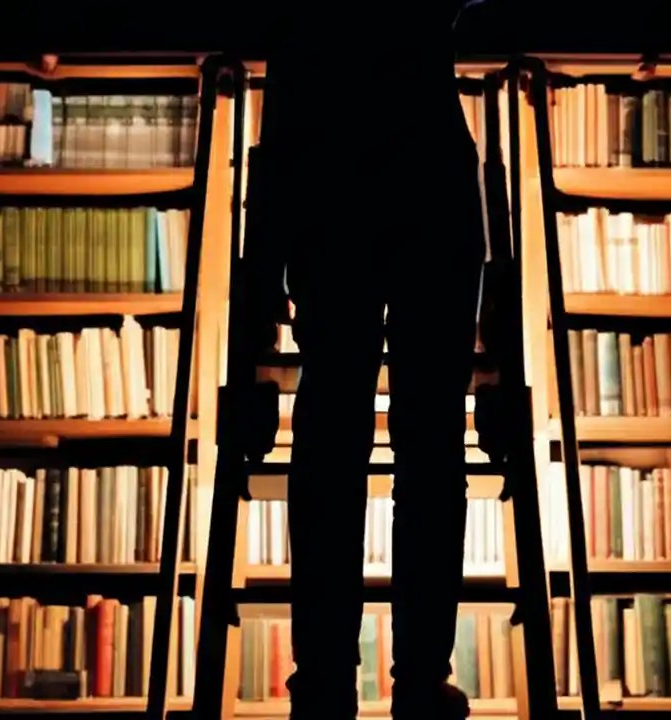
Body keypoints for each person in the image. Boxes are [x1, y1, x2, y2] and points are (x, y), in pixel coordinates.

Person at [253, 2, 487, 719]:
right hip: (426, 177)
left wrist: (264, 257)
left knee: (329, 438)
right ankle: (418, 674)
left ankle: (324, 676)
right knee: (430, 439)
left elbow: (286, 74)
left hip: (326, 175)